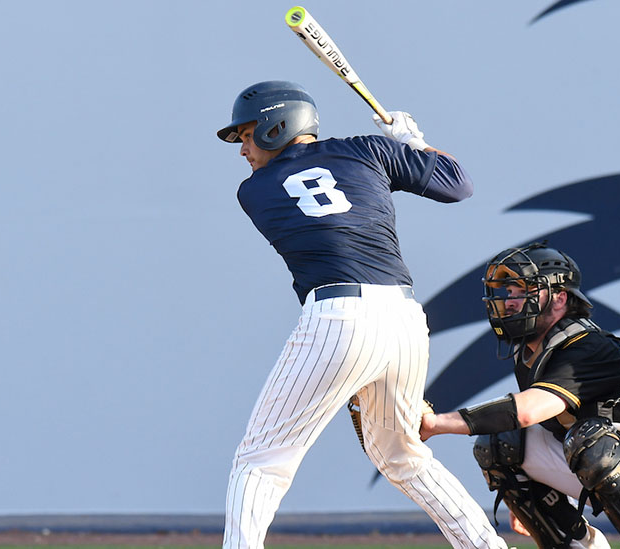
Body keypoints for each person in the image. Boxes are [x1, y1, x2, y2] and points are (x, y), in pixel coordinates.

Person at [215, 81, 508, 549]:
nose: (243, 149)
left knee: (260, 460)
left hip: (338, 319)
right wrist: (412, 144)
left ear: (277, 126)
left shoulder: (256, 190)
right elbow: (458, 184)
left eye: (248, 135)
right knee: (404, 457)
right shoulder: (369, 150)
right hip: (406, 320)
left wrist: (393, 149)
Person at [420, 242, 620, 549]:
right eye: (507, 293)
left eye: (522, 290)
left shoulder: (584, 347)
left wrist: (435, 424)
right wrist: (528, 495)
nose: (510, 302)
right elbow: (534, 425)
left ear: (560, 298)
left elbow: (527, 411)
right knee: (500, 443)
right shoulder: (530, 354)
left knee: (589, 439)